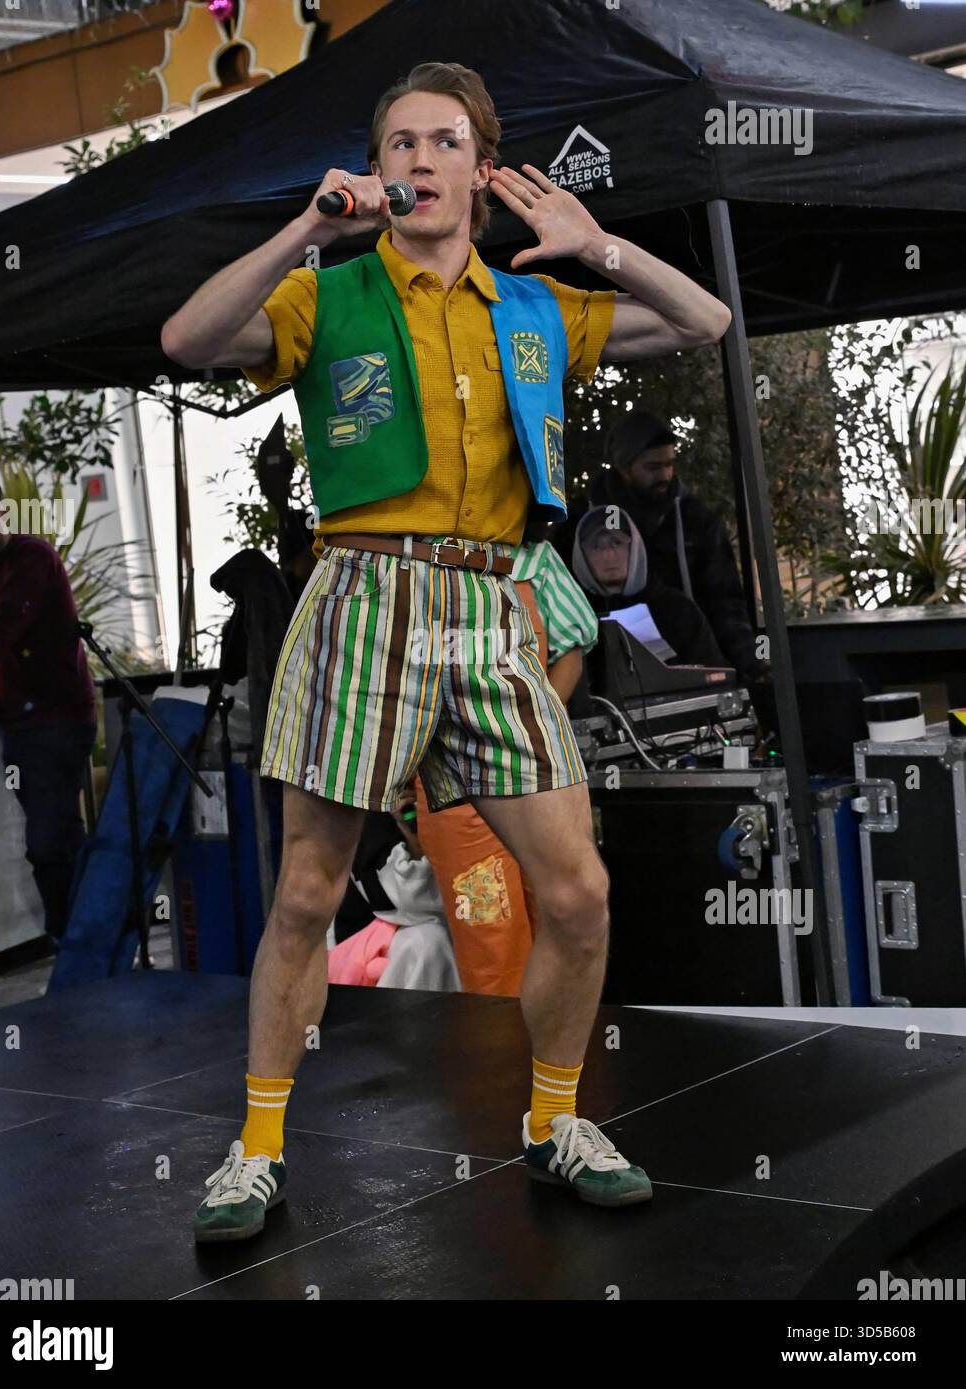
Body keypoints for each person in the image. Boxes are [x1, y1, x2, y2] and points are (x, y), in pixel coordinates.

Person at [162, 60, 731, 1240]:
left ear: (480, 169)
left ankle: (555, 1119)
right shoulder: (332, 291)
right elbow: (186, 338)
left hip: (491, 607)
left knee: (575, 890)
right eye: (398, 144)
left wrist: (595, 243)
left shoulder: (532, 306)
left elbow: (704, 320)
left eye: (440, 143)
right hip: (363, 597)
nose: (416, 161)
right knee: (307, 894)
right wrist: (297, 229)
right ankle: (256, 1145)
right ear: (377, 170)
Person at [414, 532, 598, 997]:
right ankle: (502, 1066)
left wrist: (527, 736)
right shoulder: (408, 556)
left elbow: (569, 653)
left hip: (537, 775)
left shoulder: (531, 553)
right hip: (453, 792)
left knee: (566, 922)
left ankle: (570, 1066)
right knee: (489, 946)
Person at [0, 475, 97, 945]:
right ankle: (89, 940)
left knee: (47, 841)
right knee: (62, 833)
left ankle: (69, 937)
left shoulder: (33, 557)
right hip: (21, 720)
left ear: (2, 513)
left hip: (57, 718)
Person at [582, 410, 767, 683]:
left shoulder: (697, 521)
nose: (666, 475)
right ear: (624, 468)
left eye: (670, 464)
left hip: (694, 659)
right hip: (608, 672)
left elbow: (726, 602)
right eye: (653, 467)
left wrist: (751, 665)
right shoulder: (584, 522)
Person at [571, 505, 727, 667]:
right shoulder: (573, 618)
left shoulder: (677, 610)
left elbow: (712, 674)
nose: (608, 555)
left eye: (617, 542)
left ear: (635, 547)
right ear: (582, 556)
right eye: (596, 546)